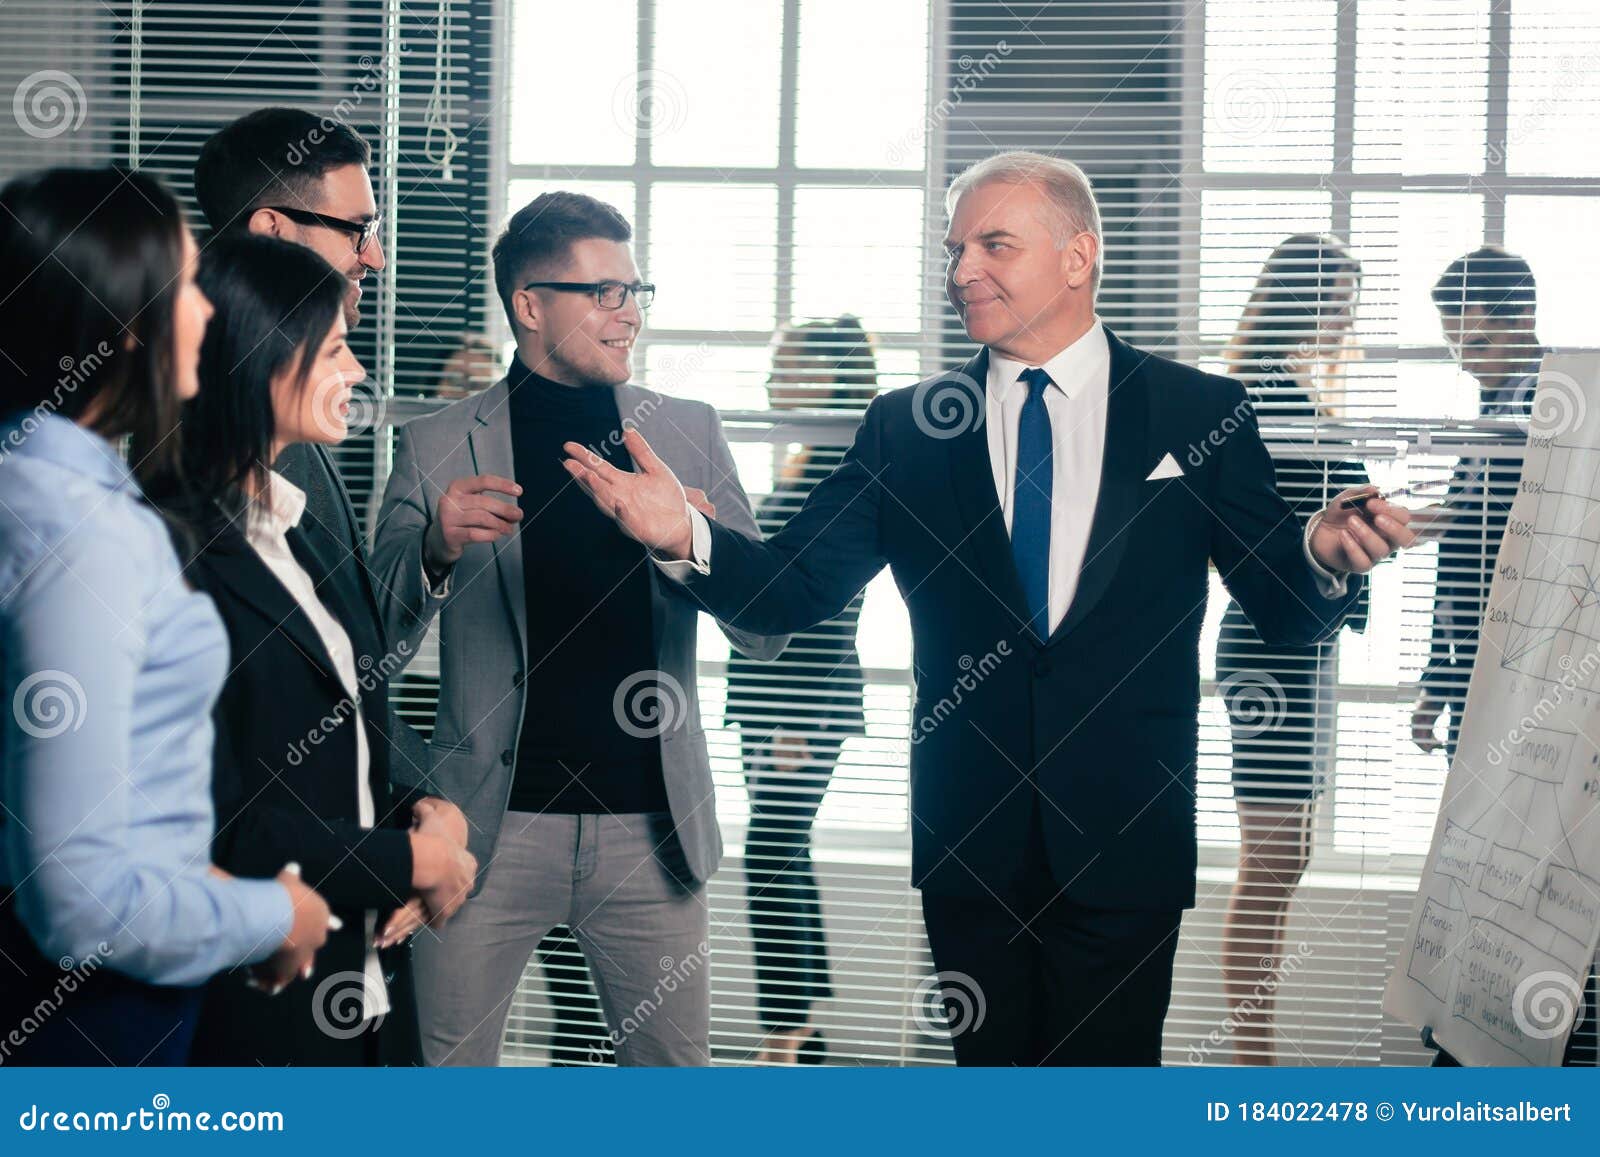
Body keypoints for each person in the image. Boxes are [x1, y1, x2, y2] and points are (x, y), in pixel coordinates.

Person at [561, 151, 1418, 1066]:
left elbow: (1284, 610)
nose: (963, 269)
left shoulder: (1196, 410)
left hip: (1128, 841)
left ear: (1078, 255)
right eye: (955, 248)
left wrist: (1323, 556)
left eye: (994, 244)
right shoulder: (908, 425)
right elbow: (788, 591)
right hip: (971, 842)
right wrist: (683, 531)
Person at [371, 191, 786, 1066]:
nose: (628, 313)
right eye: (603, 292)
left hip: (652, 833)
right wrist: (436, 551)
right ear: (529, 305)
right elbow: (373, 647)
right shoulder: (439, 443)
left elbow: (767, 630)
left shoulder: (689, 431)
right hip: (485, 828)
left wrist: (689, 540)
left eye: (636, 291)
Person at [0, 167, 330, 1066]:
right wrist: (276, 913)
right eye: (187, 285)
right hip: (90, 1026)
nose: (209, 313)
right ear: (129, 321)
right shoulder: (87, 538)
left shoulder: (33, 488)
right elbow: (80, 898)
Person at [144, 235, 478, 1065]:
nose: (357, 373)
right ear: (264, 361)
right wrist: (412, 858)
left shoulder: (307, 533)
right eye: (334, 349)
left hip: (363, 990)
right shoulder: (171, 555)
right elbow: (219, 827)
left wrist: (424, 812)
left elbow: (337, 740)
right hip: (256, 1010)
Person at [193, 108, 429, 790]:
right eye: (359, 230)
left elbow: (347, 650)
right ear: (272, 231)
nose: (375, 256)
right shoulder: (196, 421)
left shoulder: (292, 410)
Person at [1214, 234, 1372, 1064]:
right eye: (1335, 297)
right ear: (1297, 299)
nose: (1344, 317)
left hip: (1299, 647)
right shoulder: (1256, 393)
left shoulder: (1293, 387)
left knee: (1288, 857)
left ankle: (1257, 1057)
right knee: (1270, 861)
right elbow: (1256, 529)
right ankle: (1252, 1068)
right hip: (1268, 643)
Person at [724, 317, 874, 1064]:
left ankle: (786, 1031)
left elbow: (831, 611)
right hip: (767, 698)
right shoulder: (803, 460)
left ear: (828, 378)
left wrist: (798, 721)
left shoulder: (834, 470)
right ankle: (803, 1025)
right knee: (785, 849)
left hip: (797, 706)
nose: (771, 380)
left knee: (769, 851)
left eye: (787, 365)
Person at [1412, 246, 1541, 759]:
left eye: (1479, 343)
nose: (1464, 361)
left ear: (1524, 318)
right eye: (1454, 345)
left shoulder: (1547, 410)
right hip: (1478, 668)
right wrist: (1438, 681)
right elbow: (1461, 552)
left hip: (1520, 676)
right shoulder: (1498, 402)